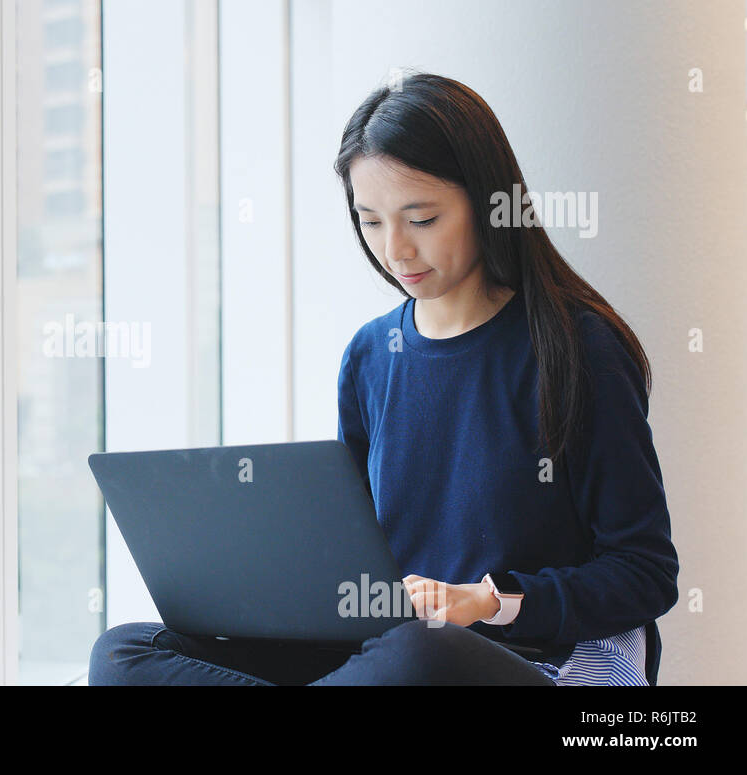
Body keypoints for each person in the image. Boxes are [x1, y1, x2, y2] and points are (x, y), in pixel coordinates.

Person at [88, 72, 679, 686]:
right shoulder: (371, 355)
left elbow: (644, 571)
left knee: (421, 655)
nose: (395, 250)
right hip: (386, 655)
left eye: (421, 218)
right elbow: (357, 556)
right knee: (124, 653)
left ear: (487, 200)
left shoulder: (579, 347)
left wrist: (489, 601)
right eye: (370, 221)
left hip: (524, 659)